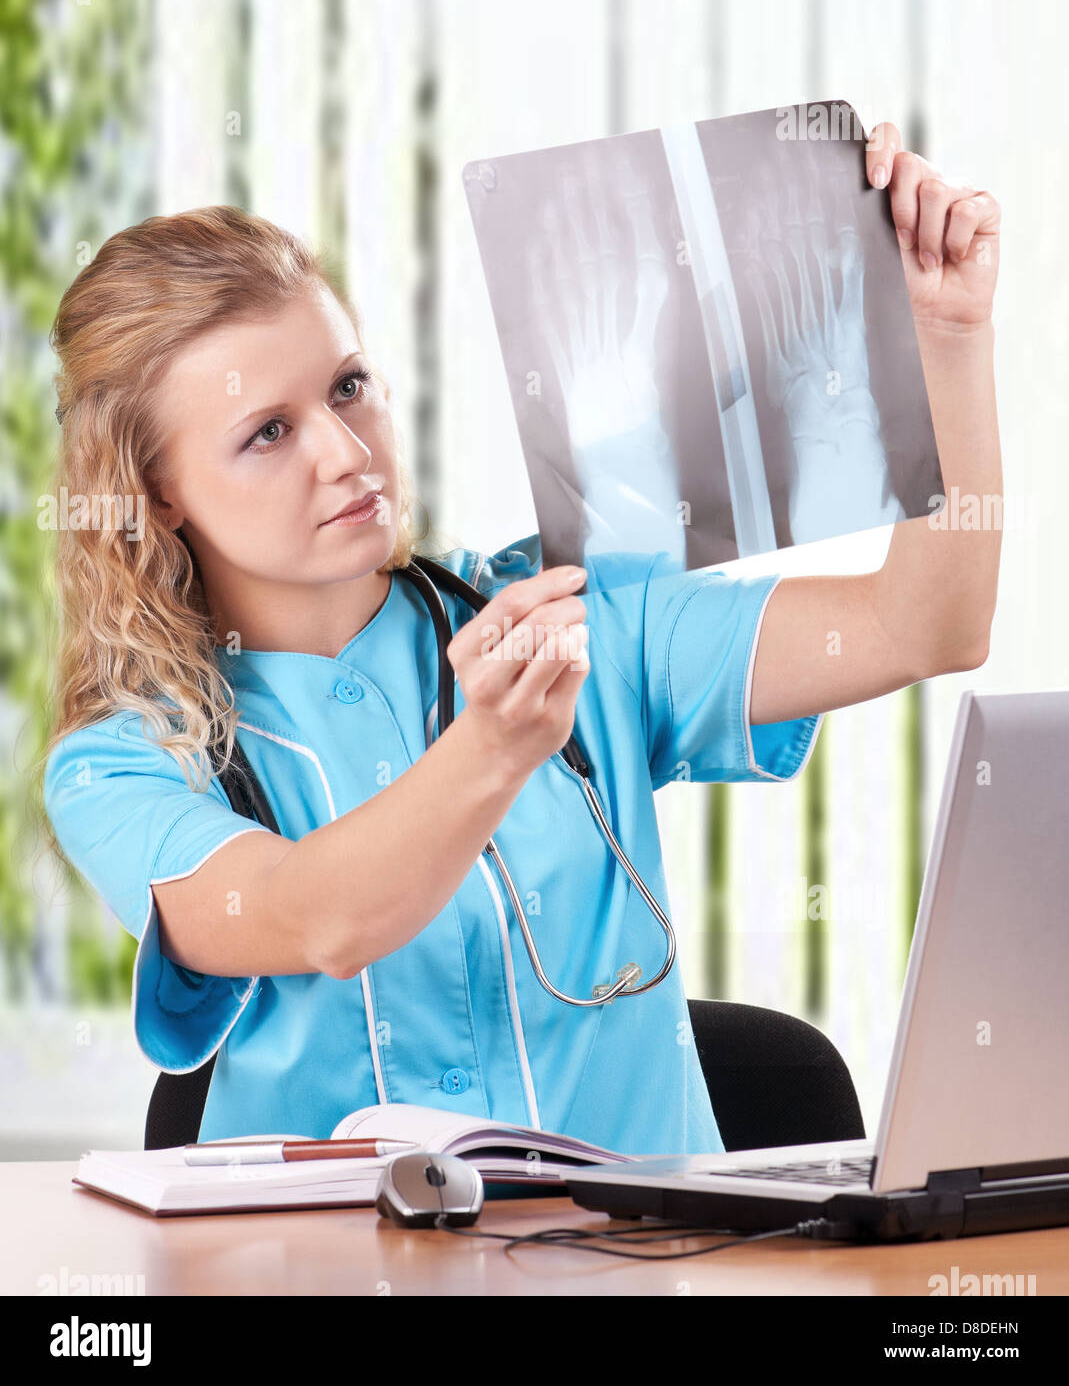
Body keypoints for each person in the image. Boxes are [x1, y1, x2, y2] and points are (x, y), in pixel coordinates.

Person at [37, 121, 1001, 1158]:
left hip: (645, 1264)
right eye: (267, 431)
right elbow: (316, 917)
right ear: (159, 494)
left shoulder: (564, 603)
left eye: (348, 387)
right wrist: (491, 749)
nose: (344, 451)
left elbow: (923, 626)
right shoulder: (125, 761)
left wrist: (947, 343)